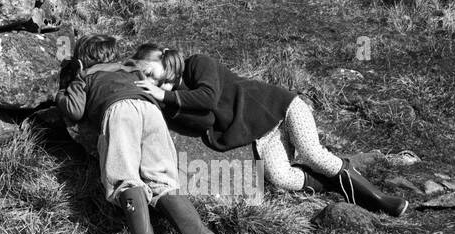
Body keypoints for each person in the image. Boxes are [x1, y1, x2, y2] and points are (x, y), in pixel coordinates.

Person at [129, 44, 408, 217]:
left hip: (282, 108)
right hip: (264, 134)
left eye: (151, 72)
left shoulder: (197, 64)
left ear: (163, 58)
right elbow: (203, 124)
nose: (151, 81)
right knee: (281, 178)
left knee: (313, 154)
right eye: (146, 80)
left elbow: (209, 97)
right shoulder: (178, 97)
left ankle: (379, 200)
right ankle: (338, 185)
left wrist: (164, 97)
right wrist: (165, 107)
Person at [58, 34, 220, 234]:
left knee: (123, 173)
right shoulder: (131, 68)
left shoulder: (85, 76)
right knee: (160, 176)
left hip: (119, 111)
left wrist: (61, 93)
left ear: (81, 63)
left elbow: (74, 111)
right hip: (152, 113)